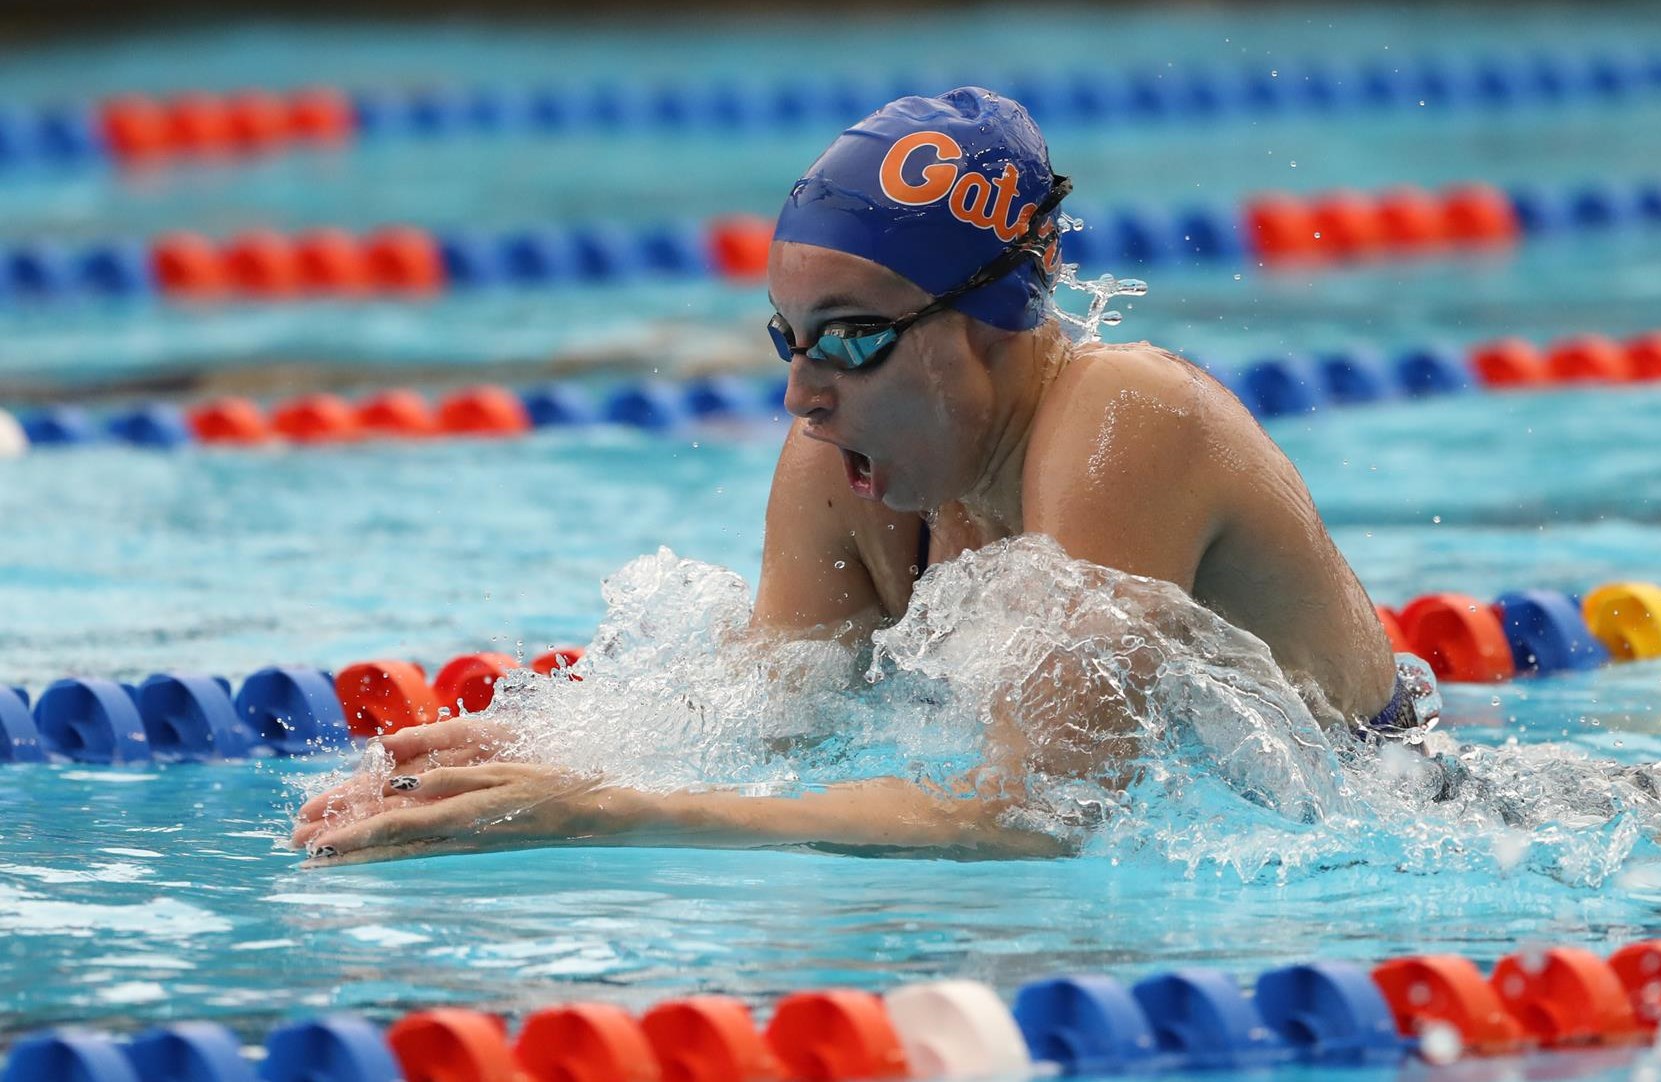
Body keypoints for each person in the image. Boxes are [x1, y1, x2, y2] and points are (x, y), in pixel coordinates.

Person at [291, 87, 1407, 867]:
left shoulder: (1126, 420)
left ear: (990, 319)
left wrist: (615, 807)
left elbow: (1035, 812)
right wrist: (559, 753)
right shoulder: (850, 472)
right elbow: (777, 717)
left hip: (1390, 814)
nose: (806, 394)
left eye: (853, 338)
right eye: (792, 339)